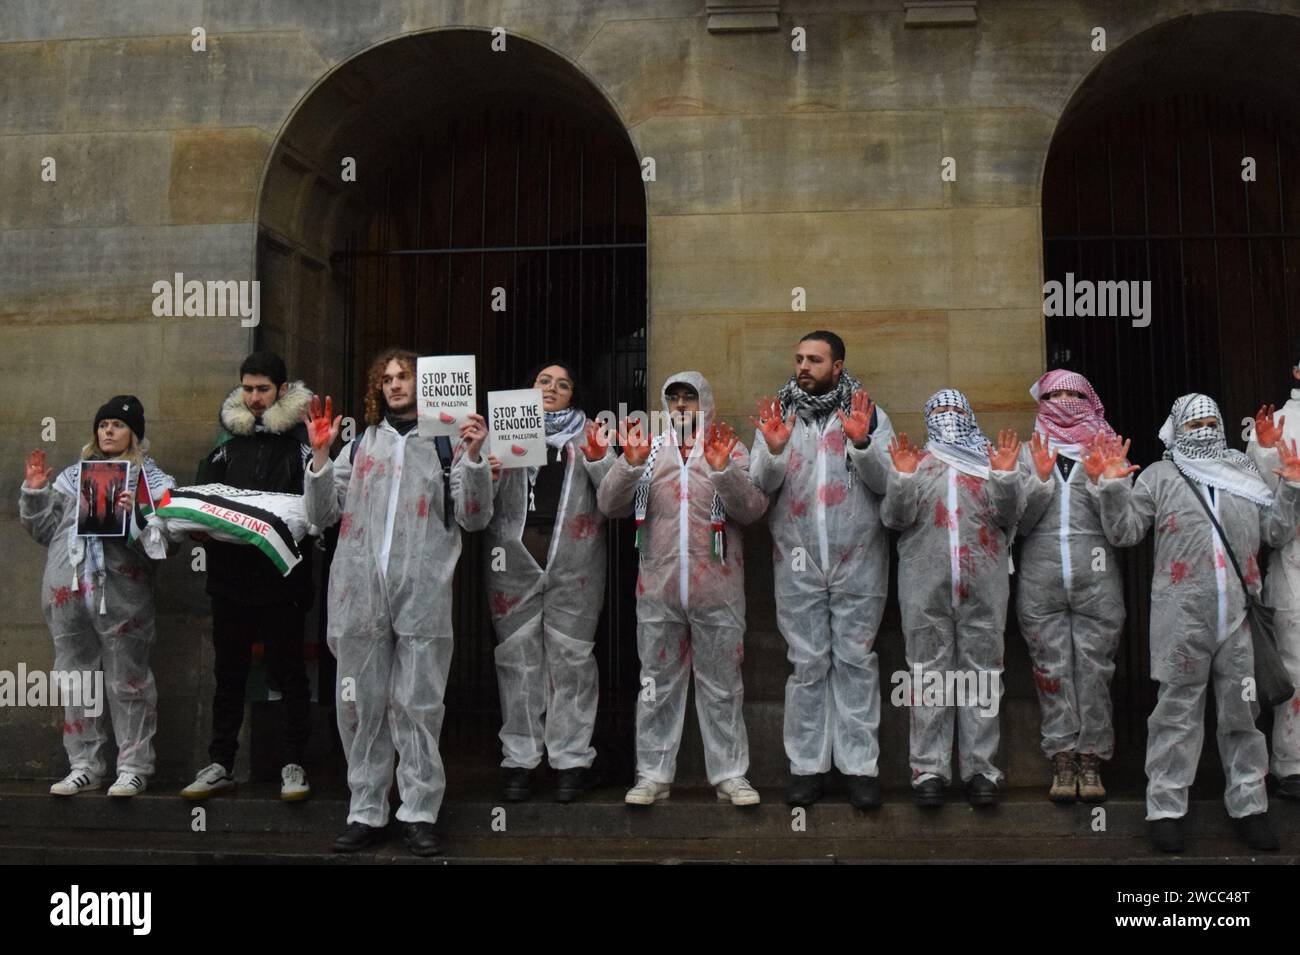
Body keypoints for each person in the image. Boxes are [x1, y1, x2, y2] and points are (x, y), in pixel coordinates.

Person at [303, 348, 492, 857]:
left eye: (403, 376)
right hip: (359, 590)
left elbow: (473, 516)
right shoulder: (362, 442)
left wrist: (473, 456)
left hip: (423, 590)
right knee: (360, 704)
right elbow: (320, 514)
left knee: (418, 703)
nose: (394, 384)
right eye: (385, 378)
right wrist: (319, 458)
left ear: (422, 382)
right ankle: (366, 807)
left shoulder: (446, 444)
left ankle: (420, 810)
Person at [1091, 393, 1300, 852]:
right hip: (1180, 620)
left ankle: (1250, 806)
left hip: (1241, 621)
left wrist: (1291, 488)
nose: (1203, 428)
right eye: (1193, 423)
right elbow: (1125, 532)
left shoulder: (1243, 473)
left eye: (1210, 420)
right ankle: (1165, 809)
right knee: (1175, 716)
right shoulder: (1159, 477)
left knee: (1242, 716)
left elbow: (1276, 533)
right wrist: (1110, 486)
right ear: (1176, 429)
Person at [597, 372, 768, 806]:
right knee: (656, 683)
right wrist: (628, 464)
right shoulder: (650, 452)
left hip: (719, 591)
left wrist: (723, 472)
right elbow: (609, 506)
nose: (680, 406)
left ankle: (731, 775)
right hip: (659, 589)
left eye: (688, 398)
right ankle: (653, 774)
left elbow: (751, 511)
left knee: (723, 685)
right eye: (672, 399)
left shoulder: (731, 448)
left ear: (704, 402)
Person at [748, 330, 894, 809]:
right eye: (799, 358)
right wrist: (772, 450)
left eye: (815, 359)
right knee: (806, 665)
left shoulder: (869, 413)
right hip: (797, 560)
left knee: (856, 662)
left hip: (858, 560)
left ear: (838, 364)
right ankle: (806, 768)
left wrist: (864, 442)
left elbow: (888, 484)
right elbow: (759, 488)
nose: (804, 366)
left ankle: (860, 769)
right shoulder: (779, 417)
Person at [20, 396, 175, 798]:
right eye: (103, 424)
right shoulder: (72, 477)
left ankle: (134, 767)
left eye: (118, 425)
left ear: (135, 434)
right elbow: (43, 530)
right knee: (76, 681)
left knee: (129, 682)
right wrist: (35, 494)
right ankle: (84, 764)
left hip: (122, 598)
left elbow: (168, 541)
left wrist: (137, 516)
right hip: (68, 595)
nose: (108, 430)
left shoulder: (153, 483)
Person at [880, 389, 1025, 807]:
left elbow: (1011, 515)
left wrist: (1006, 476)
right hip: (925, 585)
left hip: (984, 583)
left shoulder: (988, 462)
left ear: (970, 414)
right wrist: (902, 479)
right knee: (927, 676)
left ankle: (982, 770)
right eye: (939, 410)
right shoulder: (917, 462)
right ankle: (928, 770)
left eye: (956, 409)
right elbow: (894, 518)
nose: (948, 417)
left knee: (983, 674)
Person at [182, 351, 315, 802]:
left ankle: (294, 763)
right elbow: (200, 504)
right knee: (229, 673)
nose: (255, 398)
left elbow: (321, 509)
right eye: (248, 388)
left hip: (284, 580)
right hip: (230, 581)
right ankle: (221, 763)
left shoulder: (302, 445)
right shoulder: (224, 448)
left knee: (288, 672)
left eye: (263, 389)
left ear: (281, 389)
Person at [482, 361, 615, 803]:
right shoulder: (506, 428)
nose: (552, 389)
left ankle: (571, 762)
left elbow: (616, 499)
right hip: (513, 562)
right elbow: (476, 506)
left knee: (572, 662)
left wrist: (600, 458)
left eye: (563, 384)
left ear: (573, 394)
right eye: (543, 380)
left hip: (575, 565)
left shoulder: (591, 433)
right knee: (517, 662)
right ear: (530, 386)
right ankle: (520, 761)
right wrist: (489, 470)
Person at [1015, 370, 1124, 804]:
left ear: (1088, 398)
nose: (1063, 401)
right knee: (1050, 668)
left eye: (1073, 394)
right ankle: (1061, 755)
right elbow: (1016, 524)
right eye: (1054, 394)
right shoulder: (1026, 452)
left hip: (1096, 575)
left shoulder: (1108, 448)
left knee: (1096, 669)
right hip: (1040, 575)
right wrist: (1039, 481)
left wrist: (1106, 484)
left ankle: (1092, 755)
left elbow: (1121, 529)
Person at [1247, 360, 1300, 801]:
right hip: (1293, 561)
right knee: (1294, 664)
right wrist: (1265, 452)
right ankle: (1292, 765)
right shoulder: (1278, 424)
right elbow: (1264, 511)